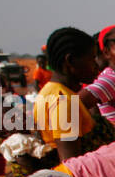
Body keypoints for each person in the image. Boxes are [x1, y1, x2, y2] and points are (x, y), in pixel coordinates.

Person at [33, 27, 107, 162]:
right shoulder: (63, 100)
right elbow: (71, 163)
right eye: (92, 58)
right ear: (71, 61)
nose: (96, 65)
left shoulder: (51, 91)